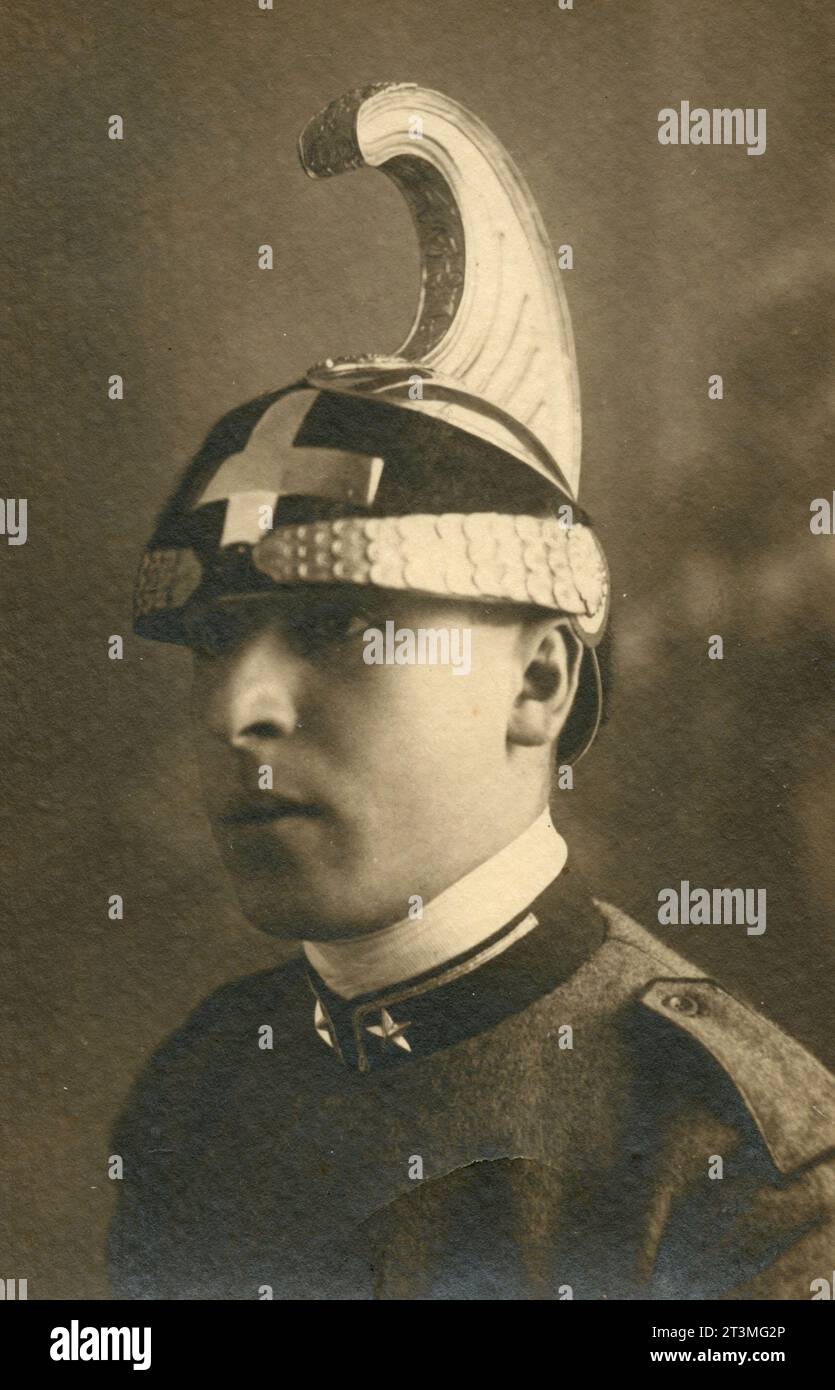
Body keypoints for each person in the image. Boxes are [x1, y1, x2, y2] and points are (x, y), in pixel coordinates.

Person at [110, 83, 835, 1300]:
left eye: (340, 627)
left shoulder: (727, 1156)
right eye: (213, 641)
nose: (243, 710)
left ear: (540, 681)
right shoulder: (198, 1090)